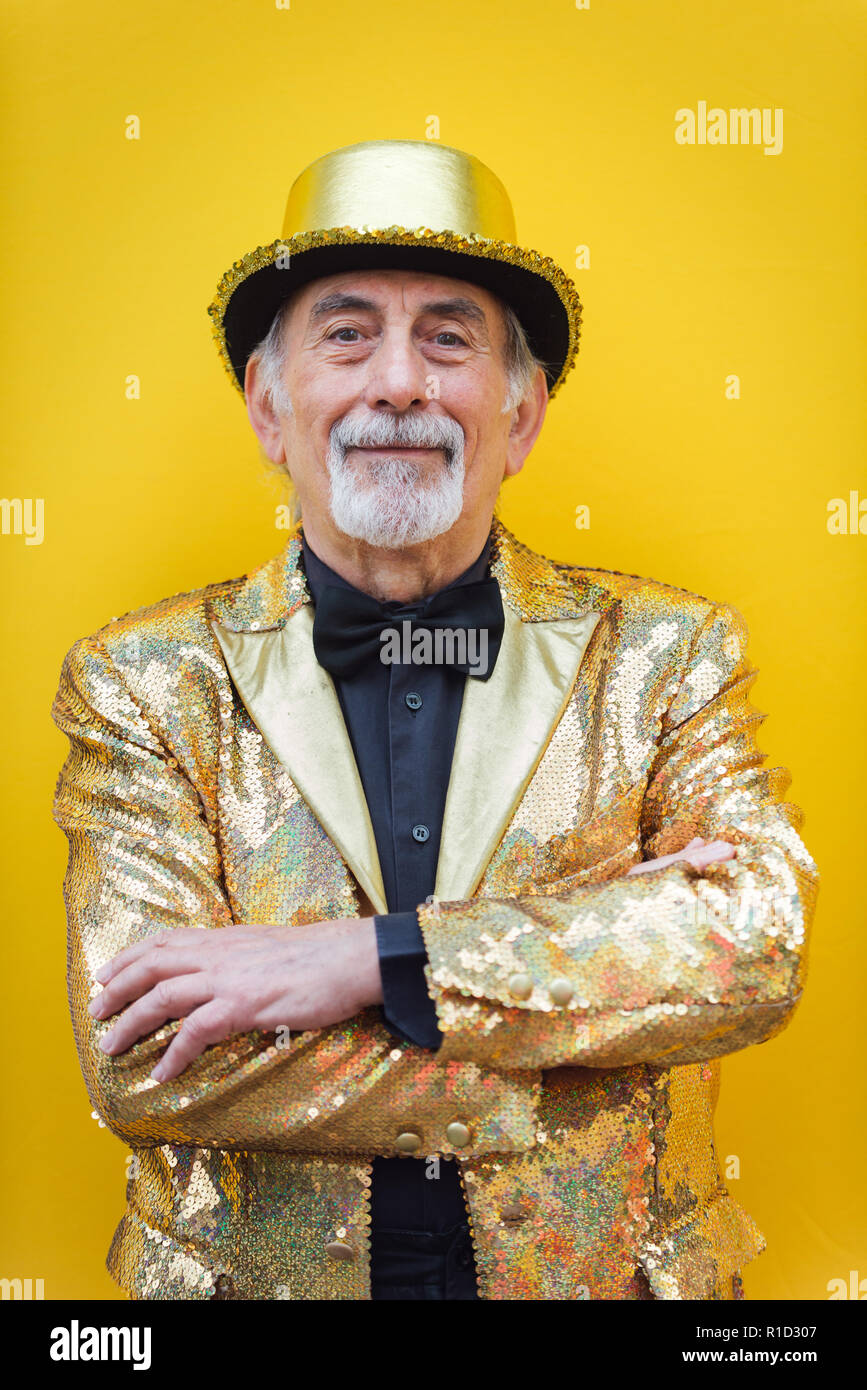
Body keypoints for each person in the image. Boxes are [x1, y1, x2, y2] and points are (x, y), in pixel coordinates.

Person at [51, 139, 818, 1301]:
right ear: (271, 405)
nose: (399, 381)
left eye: (449, 338)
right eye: (347, 334)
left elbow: (757, 942)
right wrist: (569, 1059)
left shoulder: (670, 654)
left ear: (521, 414)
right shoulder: (140, 680)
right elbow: (145, 1059)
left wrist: (363, 958)